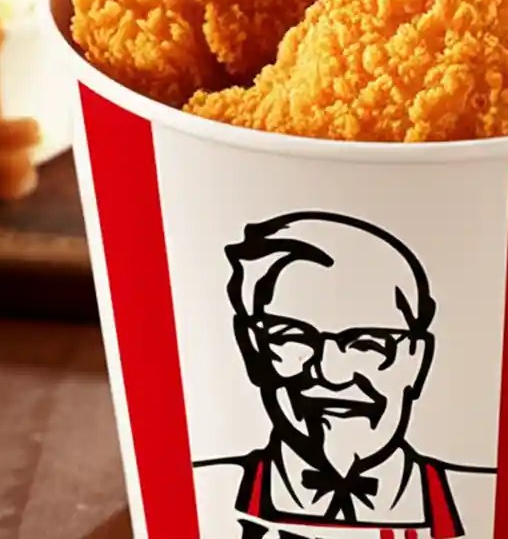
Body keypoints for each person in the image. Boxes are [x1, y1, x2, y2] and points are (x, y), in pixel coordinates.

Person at [194, 212, 492, 538]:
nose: (332, 374)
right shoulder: (204, 493)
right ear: (253, 350)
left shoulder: (485, 498)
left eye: (369, 343)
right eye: (293, 337)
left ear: (416, 359)